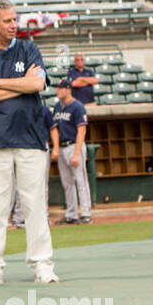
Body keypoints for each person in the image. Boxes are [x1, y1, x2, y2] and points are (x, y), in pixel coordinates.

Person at [0, 0, 59, 285]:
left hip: (30, 137)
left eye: (14, 19)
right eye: (7, 20)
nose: (13, 24)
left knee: (35, 204)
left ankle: (42, 264)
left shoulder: (29, 47)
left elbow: (37, 84)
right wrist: (19, 85)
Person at [53, 78, 92, 224]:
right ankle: (71, 214)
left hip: (74, 145)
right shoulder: (57, 106)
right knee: (67, 182)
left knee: (81, 181)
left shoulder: (77, 106)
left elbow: (82, 130)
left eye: (60, 88)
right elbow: (55, 129)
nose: (57, 90)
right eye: (57, 88)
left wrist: (76, 153)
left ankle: (86, 214)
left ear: (68, 89)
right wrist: (56, 148)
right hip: (62, 147)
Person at [9, 104, 54, 229]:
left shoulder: (44, 109)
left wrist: (55, 148)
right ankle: (19, 217)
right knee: (20, 184)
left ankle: (43, 216)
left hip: (40, 145)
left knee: (42, 184)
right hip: (23, 145)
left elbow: (53, 128)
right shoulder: (18, 109)